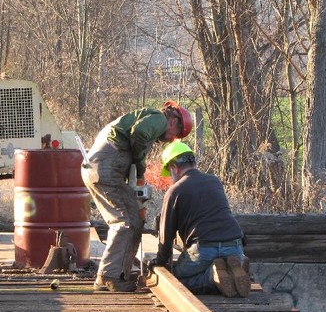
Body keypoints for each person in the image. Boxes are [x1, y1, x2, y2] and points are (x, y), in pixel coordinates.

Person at [82, 101, 193, 292]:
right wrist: (140, 163)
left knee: (131, 219)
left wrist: (137, 174)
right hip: (106, 168)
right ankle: (109, 276)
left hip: (97, 169)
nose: (171, 140)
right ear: (174, 122)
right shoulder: (159, 119)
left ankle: (119, 274)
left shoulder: (139, 117)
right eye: (176, 135)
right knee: (127, 220)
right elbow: (140, 133)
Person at [148, 141, 250, 297]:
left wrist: (161, 261)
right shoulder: (214, 181)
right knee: (223, 264)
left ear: (174, 168)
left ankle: (212, 276)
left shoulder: (175, 191)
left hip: (204, 249)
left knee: (176, 280)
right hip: (234, 245)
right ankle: (234, 267)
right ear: (193, 162)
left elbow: (166, 234)